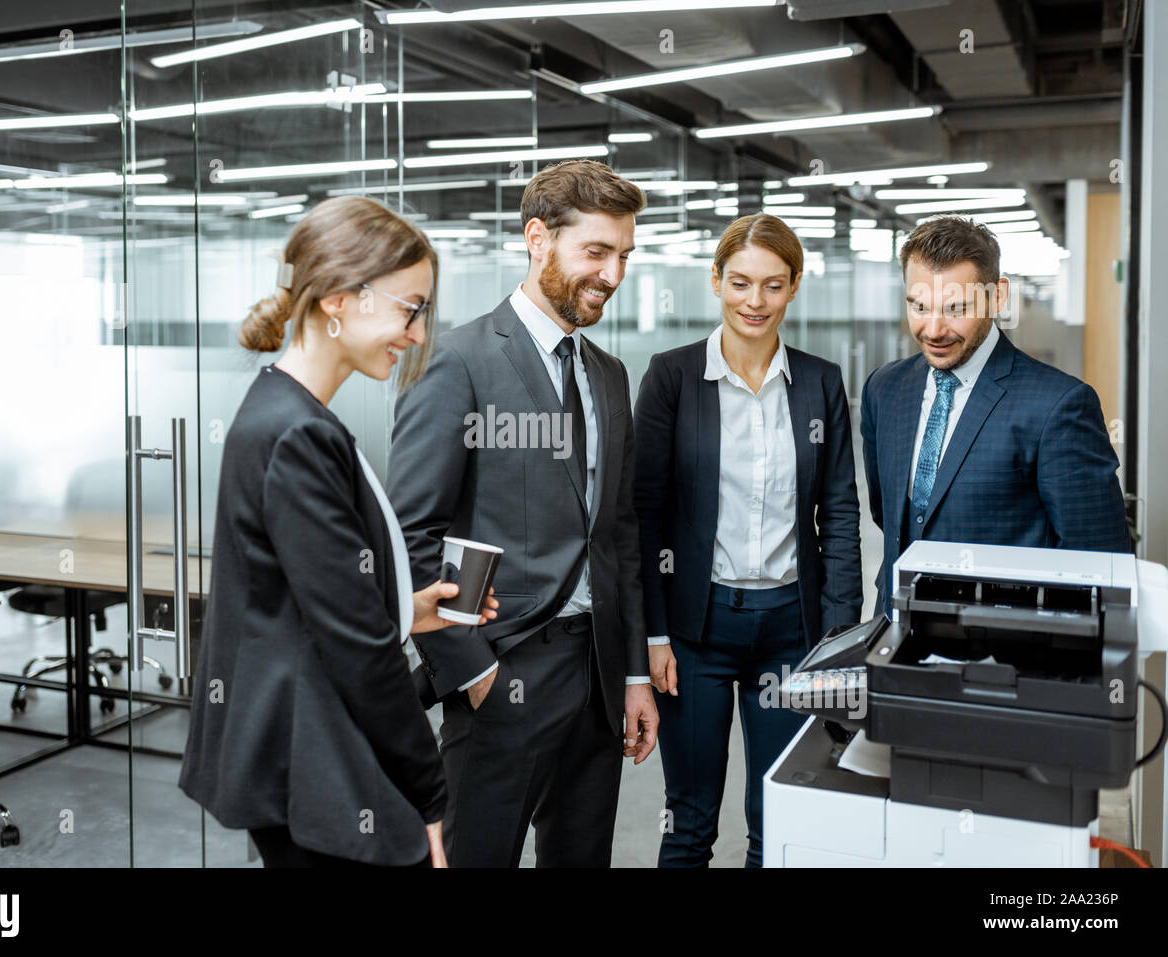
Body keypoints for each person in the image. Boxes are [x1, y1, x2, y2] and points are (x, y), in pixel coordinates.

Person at [178, 196, 496, 868]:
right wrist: (430, 794)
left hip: (292, 744)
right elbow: (355, 648)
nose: (416, 333)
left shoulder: (284, 412)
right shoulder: (297, 433)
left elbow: (300, 601)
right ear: (339, 299)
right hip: (308, 756)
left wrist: (404, 611)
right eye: (411, 306)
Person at [387, 159, 658, 868]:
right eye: (595, 252)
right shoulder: (459, 362)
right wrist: (469, 669)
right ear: (538, 239)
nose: (612, 275)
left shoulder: (608, 374)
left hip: (597, 675)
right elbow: (416, 533)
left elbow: (618, 534)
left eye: (624, 255)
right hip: (501, 670)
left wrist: (633, 675)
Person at [633, 213, 863, 868]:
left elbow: (839, 513)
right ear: (715, 281)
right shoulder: (672, 378)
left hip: (793, 630)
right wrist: (651, 634)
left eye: (771, 285)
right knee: (690, 820)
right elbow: (644, 516)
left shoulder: (819, 382)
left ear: (793, 287)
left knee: (780, 817)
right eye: (739, 282)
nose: (754, 301)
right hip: (694, 633)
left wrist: (838, 643)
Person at [862, 215, 1132, 618]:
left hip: (1003, 656)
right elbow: (890, 516)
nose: (933, 329)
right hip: (894, 637)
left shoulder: (1058, 405)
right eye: (919, 305)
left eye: (956, 308)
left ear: (997, 296)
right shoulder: (885, 389)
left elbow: (1100, 567)